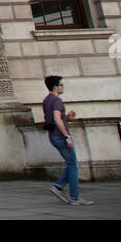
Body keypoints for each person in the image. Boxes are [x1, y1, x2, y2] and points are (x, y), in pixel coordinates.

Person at [42, 75, 91, 205]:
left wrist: (67, 117)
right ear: (55, 87)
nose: (63, 87)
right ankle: (74, 197)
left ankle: (58, 187)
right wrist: (67, 136)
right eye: (61, 85)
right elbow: (57, 119)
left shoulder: (47, 100)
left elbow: (54, 119)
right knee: (73, 165)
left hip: (53, 136)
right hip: (60, 136)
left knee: (71, 164)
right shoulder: (57, 100)